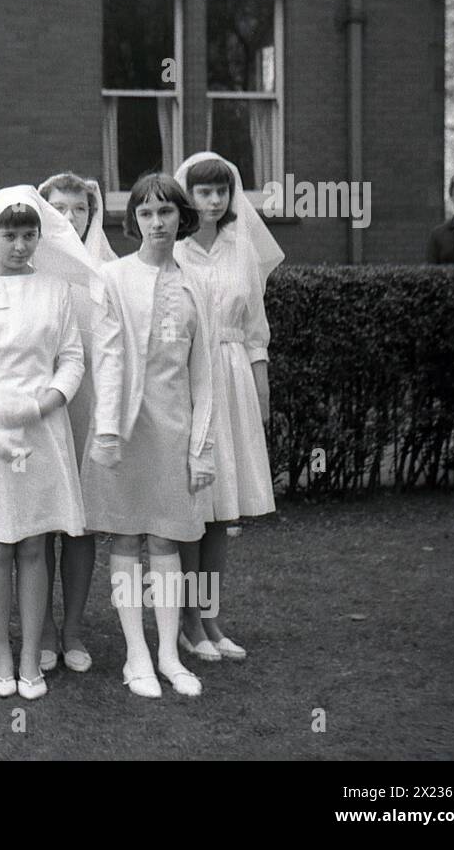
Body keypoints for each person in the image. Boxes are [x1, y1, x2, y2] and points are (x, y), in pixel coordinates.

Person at [0, 186, 93, 700]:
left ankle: (31, 653)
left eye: (29, 234)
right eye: (10, 235)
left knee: (33, 543)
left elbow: (72, 357)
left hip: (43, 429)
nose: (21, 245)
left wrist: (47, 403)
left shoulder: (55, 287)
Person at [81, 173, 216, 699]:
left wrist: (201, 444)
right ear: (133, 219)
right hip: (126, 428)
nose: (156, 223)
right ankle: (135, 654)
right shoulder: (113, 277)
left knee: (166, 538)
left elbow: (205, 371)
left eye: (165, 213)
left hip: (175, 428)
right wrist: (109, 430)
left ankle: (167, 653)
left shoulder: (197, 283)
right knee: (127, 535)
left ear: (181, 218)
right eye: (145, 213)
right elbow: (109, 356)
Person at [174, 152, 282, 662]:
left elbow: (257, 332)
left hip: (234, 378)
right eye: (203, 191)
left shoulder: (243, 252)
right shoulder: (173, 252)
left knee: (221, 514)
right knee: (192, 508)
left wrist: (260, 395)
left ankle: (211, 620)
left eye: (221, 191)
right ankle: (185, 622)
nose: (213, 201)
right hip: (189, 383)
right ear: (188, 196)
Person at [34, 172, 113, 674]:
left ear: (91, 214)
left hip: (91, 406)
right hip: (40, 409)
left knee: (82, 525)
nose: (68, 216)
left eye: (78, 208)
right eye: (57, 207)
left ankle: (74, 630)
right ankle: (40, 630)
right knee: (41, 523)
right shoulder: (28, 268)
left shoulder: (107, 274)